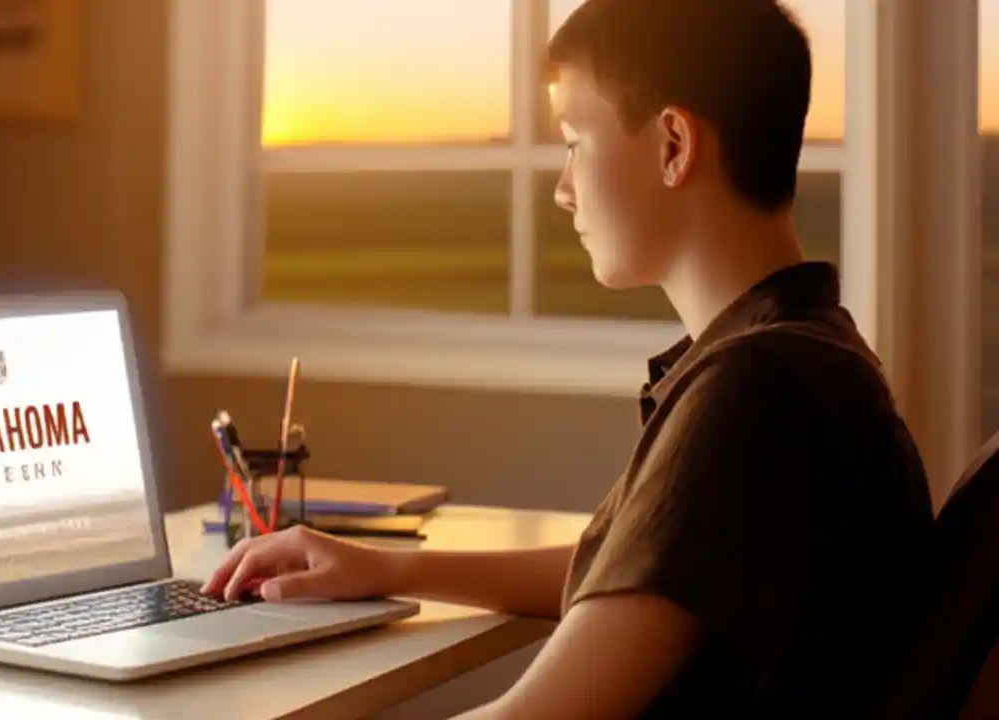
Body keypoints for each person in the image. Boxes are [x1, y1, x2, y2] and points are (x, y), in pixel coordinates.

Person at [202, 0, 936, 716]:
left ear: (674, 146)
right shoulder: (811, 352)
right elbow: (649, 570)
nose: (560, 188)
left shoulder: (753, 396)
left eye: (574, 141)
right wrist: (389, 567)